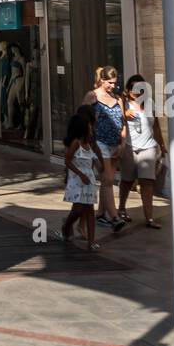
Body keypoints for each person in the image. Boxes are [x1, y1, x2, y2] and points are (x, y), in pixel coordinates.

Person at [118, 74, 166, 228]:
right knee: (127, 181)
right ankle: (121, 209)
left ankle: (149, 218)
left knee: (147, 183)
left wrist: (162, 144)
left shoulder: (150, 103)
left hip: (148, 147)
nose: (136, 91)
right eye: (132, 87)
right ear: (128, 89)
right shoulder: (123, 104)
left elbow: (156, 126)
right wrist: (124, 115)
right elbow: (115, 121)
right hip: (129, 148)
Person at [83, 65, 126, 231]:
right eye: (109, 82)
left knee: (106, 180)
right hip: (99, 143)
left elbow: (123, 123)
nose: (112, 86)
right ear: (102, 80)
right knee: (107, 180)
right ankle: (114, 216)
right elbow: (83, 117)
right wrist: (88, 140)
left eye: (114, 83)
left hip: (114, 143)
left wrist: (122, 143)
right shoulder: (92, 96)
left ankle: (101, 214)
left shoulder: (118, 99)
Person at [61, 106, 102, 252]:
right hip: (77, 180)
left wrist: (100, 166)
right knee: (78, 209)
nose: (92, 129)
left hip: (89, 180)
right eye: (89, 127)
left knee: (90, 210)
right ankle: (67, 225)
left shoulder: (89, 145)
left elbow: (96, 161)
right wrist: (80, 174)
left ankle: (91, 241)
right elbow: (67, 161)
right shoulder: (76, 143)